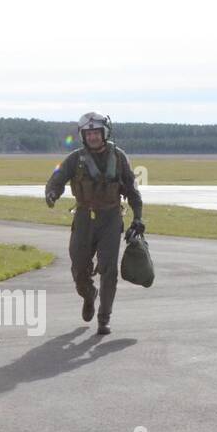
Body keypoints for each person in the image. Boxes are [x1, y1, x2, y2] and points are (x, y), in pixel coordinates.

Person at [44, 112, 144, 334]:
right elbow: (56, 179)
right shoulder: (74, 159)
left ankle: (104, 317)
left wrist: (138, 217)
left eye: (96, 133)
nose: (92, 137)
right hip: (83, 219)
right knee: (79, 268)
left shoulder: (119, 158)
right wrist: (52, 193)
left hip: (110, 219)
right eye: (88, 134)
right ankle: (89, 295)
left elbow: (132, 190)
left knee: (109, 269)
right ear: (83, 135)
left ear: (104, 133)